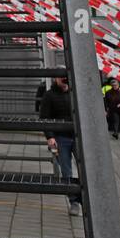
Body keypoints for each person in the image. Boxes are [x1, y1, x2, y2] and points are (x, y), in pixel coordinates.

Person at [39, 75, 82, 216]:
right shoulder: (49, 95)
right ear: (55, 79)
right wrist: (50, 136)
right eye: (61, 78)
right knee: (66, 171)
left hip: (77, 137)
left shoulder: (75, 92)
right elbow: (44, 117)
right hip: (60, 138)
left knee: (85, 169)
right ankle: (74, 202)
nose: (64, 81)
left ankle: (83, 198)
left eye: (66, 78)